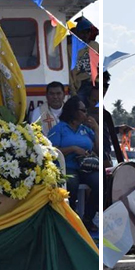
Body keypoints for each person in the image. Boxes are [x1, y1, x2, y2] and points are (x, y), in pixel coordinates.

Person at [48, 96, 99, 231]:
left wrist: (96, 129)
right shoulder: (59, 128)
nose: (86, 113)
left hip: (86, 167)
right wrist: (73, 149)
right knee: (71, 183)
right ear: (74, 112)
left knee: (100, 183)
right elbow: (52, 151)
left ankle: (88, 218)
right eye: (83, 110)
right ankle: (71, 217)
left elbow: (98, 150)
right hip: (68, 167)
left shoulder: (85, 129)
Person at [69, 16, 100, 104]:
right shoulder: (69, 48)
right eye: (83, 32)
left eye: (88, 32)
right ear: (77, 33)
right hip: (79, 85)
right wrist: (73, 91)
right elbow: (69, 71)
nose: (86, 35)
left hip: (94, 84)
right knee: (81, 109)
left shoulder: (95, 45)